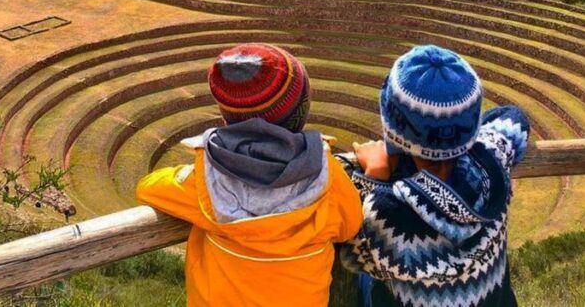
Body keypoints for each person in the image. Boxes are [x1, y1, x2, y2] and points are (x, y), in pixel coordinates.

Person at [136, 43, 362, 306]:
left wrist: (190, 171)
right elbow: (350, 225)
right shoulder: (329, 177)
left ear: (226, 119)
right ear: (301, 112)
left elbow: (147, 187)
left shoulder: (202, 186)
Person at [340, 45, 530, 307]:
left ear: (394, 133)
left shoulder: (388, 215)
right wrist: (462, 138)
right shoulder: (492, 162)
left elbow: (352, 255)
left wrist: (374, 176)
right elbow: (513, 118)